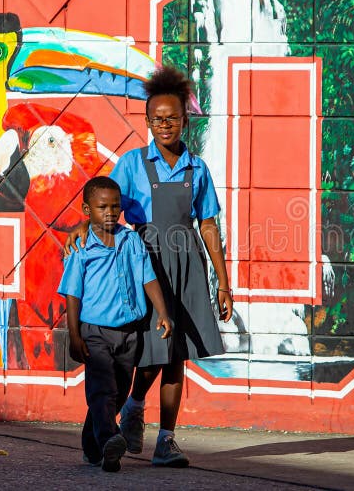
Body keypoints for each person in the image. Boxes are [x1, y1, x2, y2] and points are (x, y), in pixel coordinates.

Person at [64, 65, 233, 468]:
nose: (164, 125)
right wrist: (80, 225)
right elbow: (103, 199)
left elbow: (208, 225)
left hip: (186, 264)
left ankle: (167, 441)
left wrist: (222, 284)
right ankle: (132, 409)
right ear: (147, 121)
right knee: (148, 353)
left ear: (184, 120)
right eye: (156, 119)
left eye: (172, 118)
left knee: (176, 356)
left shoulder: (198, 169)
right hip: (141, 265)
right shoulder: (132, 163)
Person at [58, 176, 172, 472]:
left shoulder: (131, 240)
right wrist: (74, 335)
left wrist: (162, 311)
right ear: (87, 209)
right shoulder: (81, 247)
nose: (110, 212)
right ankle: (110, 439)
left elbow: (148, 277)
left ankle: (93, 446)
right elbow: (72, 294)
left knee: (119, 391)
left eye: (115, 207)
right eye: (102, 207)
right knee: (102, 389)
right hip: (95, 332)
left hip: (129, 333)